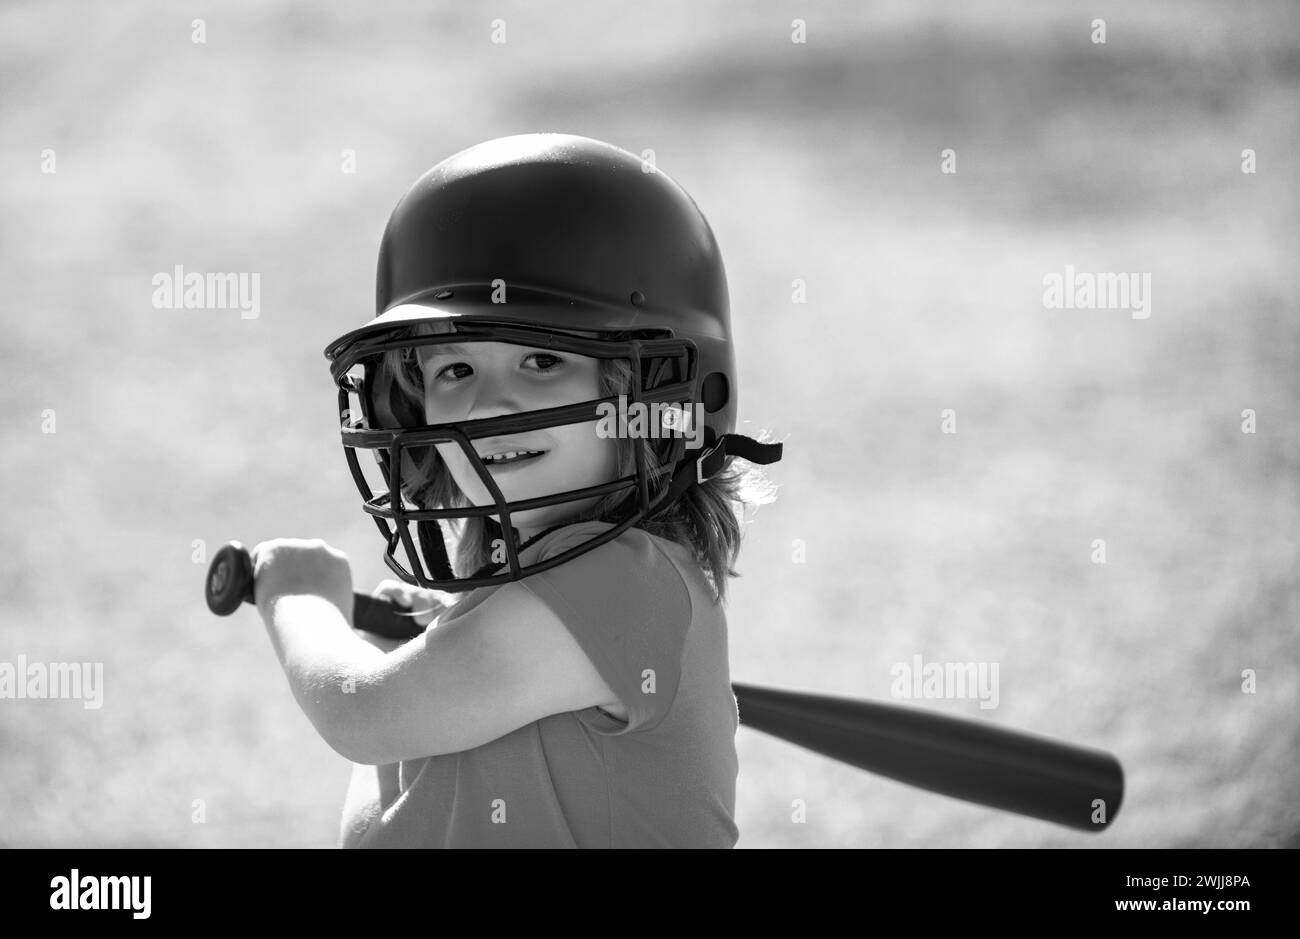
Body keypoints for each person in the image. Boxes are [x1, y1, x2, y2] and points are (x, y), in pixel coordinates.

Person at [251, 133, 783, 848]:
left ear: (651, 394)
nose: (487, 404)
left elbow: (366, 717)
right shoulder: (538, 600)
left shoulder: (622, 584)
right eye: (456, 371)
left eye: (540, 360)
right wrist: (430, 637)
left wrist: (301, 602)